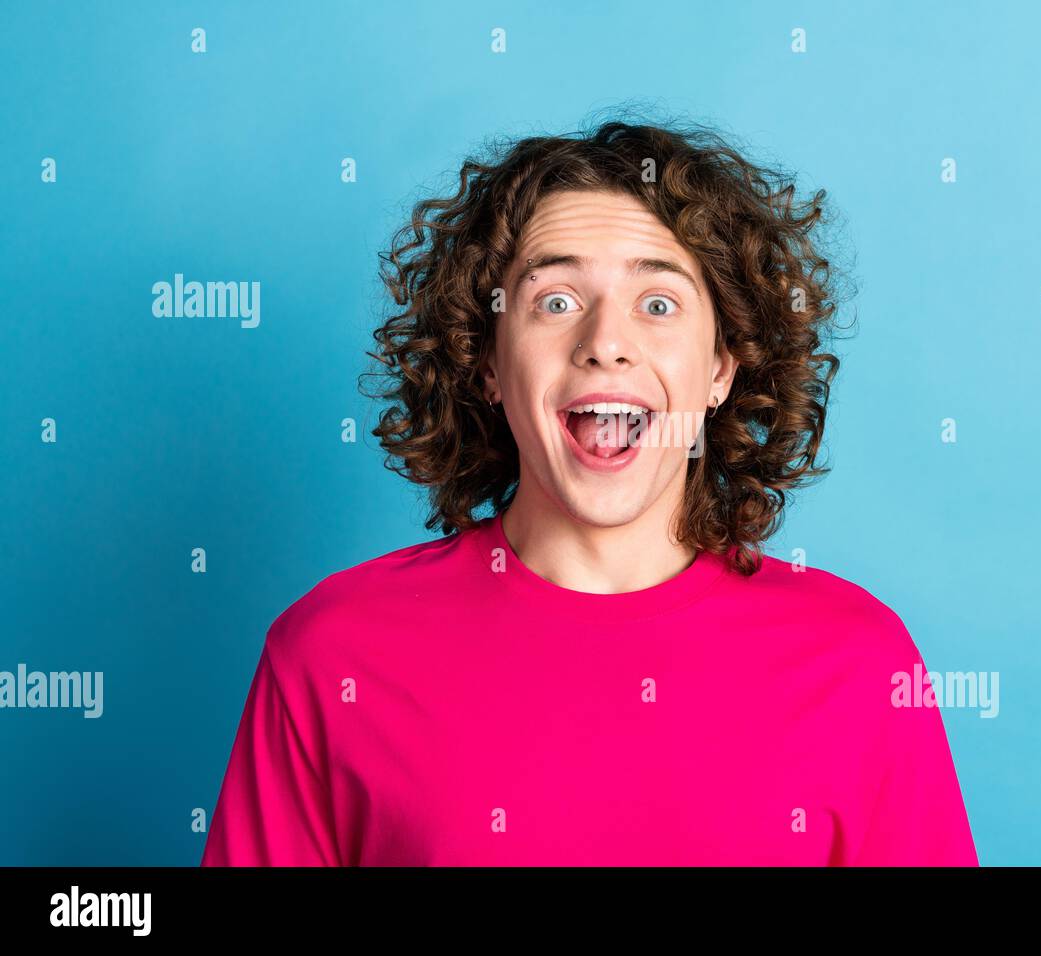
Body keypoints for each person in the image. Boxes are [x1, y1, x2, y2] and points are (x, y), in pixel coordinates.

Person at [200, 119, 978, 866]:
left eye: (659, 304)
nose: (605, 342)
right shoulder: (330, 656)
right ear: (489, 366)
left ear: (720, 368)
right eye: (556, 302)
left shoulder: (860, 665)